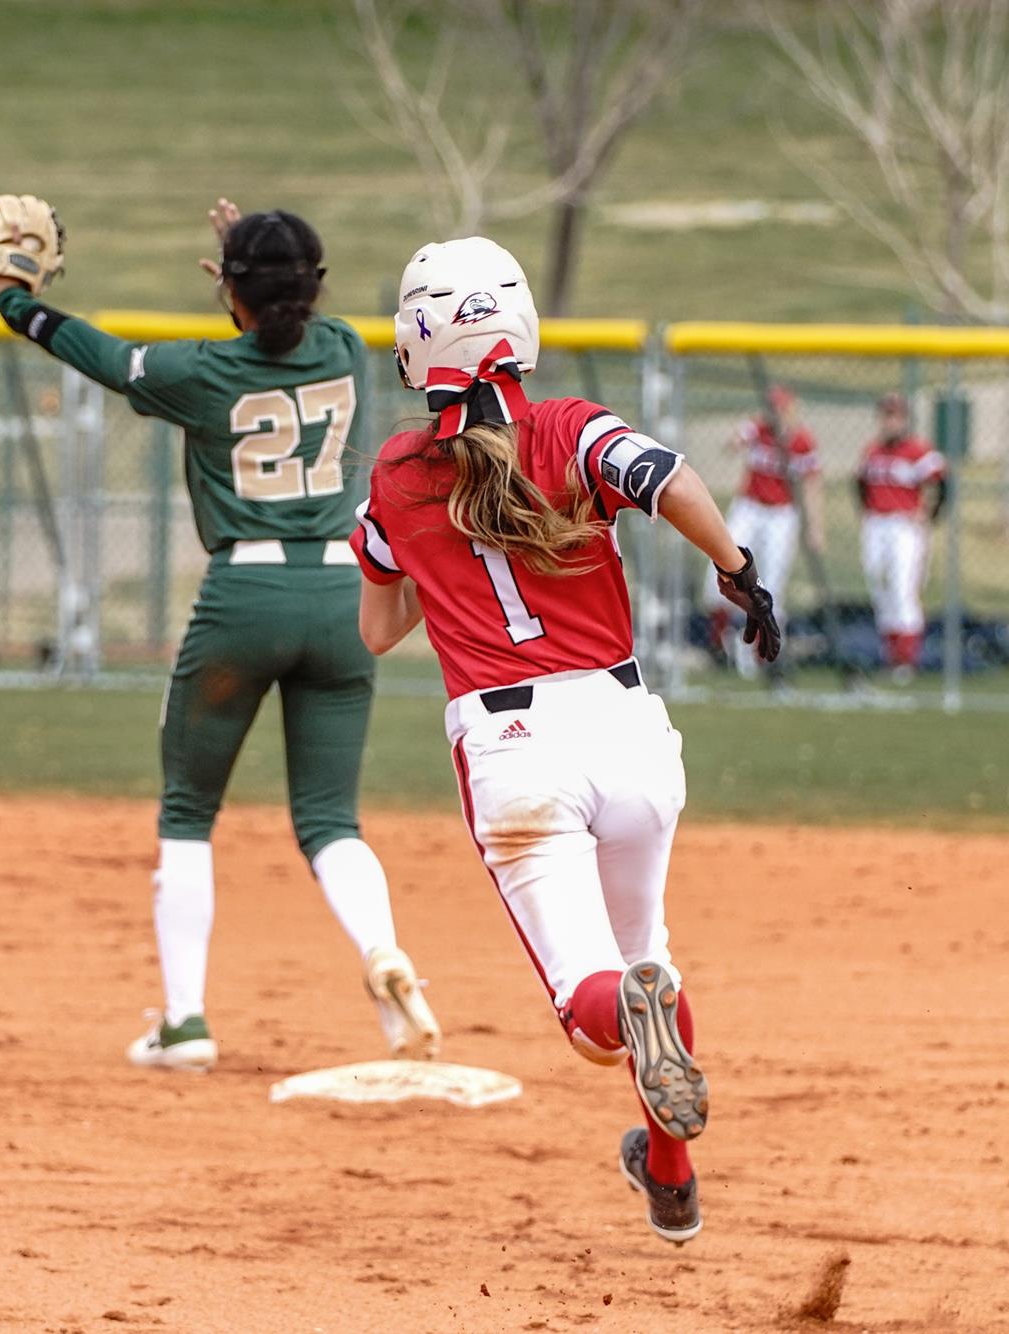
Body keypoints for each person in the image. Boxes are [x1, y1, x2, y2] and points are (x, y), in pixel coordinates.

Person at [351, 237, 780, 1245]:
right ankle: (668, 1179)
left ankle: (622, 1017)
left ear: (417, 350)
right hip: (628, 726)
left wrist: (439, 559)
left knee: (591, 1002)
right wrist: (734, 567)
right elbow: (665, 478)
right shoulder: (568, 426)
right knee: (649, 962)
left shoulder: (396, 470)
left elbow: (375, 628)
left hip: (513, 748)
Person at [0, 192, 440, 1073]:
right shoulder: (345, 350)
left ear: (232, 292)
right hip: (340, 598)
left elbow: (99, 355)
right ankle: (385, 954)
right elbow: (287, 315)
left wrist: (14, 298)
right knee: (330, 818)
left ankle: (185, 1023)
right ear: (314, 287)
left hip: (244, 600)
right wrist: (252, 269)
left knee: (188, 813)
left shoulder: (204, 374)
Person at [707, 385, 821, 677]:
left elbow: (811, 485)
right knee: (719, 567)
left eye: (781, 408)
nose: (776, 414)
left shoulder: (802, 441)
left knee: (772, 582)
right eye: (772, 408)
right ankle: (719, 644)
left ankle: (767, 654)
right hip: (750, 506)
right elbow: (730, 445)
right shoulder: (759, 429)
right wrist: (747, 429)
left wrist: (815, 527)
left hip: (782, 514)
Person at [856, 391, 948, 684]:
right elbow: (859, 483)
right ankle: (890, 655)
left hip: (903, 525)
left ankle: (907, 659)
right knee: (878, 584)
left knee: (902, 588)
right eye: (885, 415)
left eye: (895, 416)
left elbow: (943, 486)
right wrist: (866, 512)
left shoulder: (918, 450)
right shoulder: (873, 450)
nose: (889, 422)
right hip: (876, 523)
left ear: (905, 419)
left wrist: (929, 517)